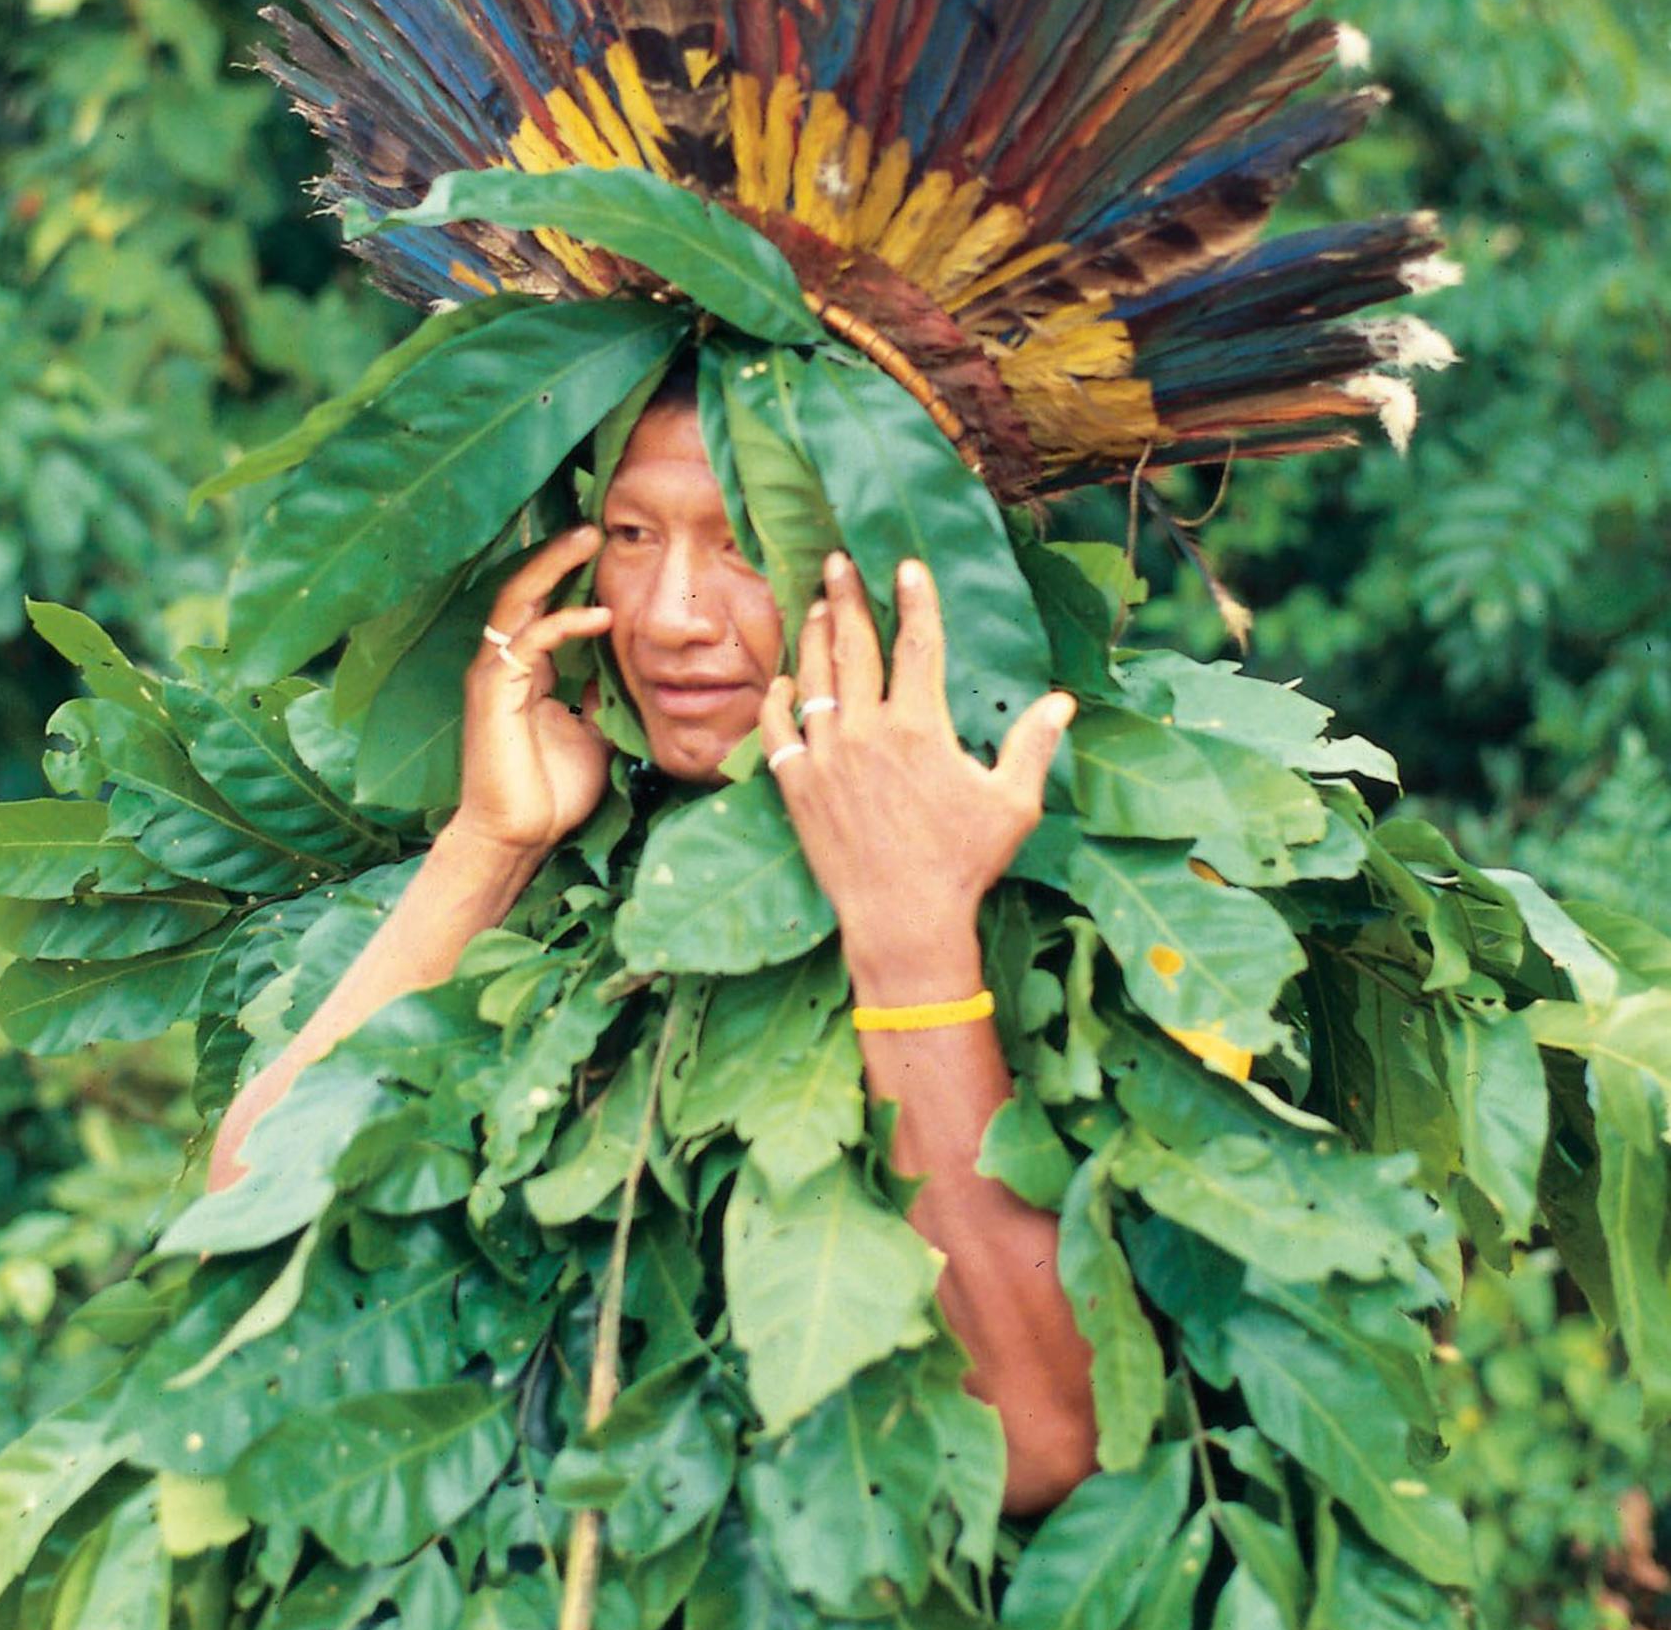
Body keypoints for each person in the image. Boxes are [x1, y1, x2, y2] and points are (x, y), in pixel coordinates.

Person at [208, 382, 1098, 1516]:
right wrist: (489, 844)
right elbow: (244, 1203)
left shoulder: (1051, 882)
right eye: (632, 536)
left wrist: (911, 935)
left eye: (746, 543)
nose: (673, 614)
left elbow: (1033, 1446)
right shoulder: (578, 871)